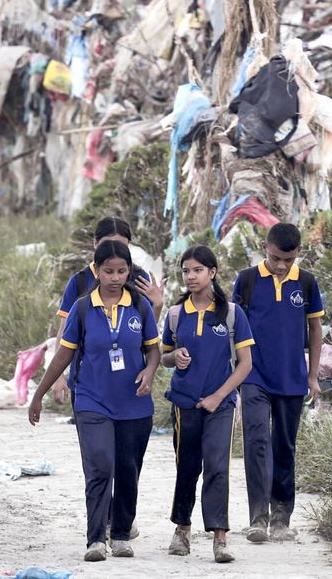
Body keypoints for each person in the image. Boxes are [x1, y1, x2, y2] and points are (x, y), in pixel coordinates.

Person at [29, 240, 161, 562]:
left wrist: (150, 371)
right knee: (101, 464)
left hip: (134, 402)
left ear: (128, 271)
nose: (115, 277)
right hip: (92, 399)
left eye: (122, 271)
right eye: (108, 271)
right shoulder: (83, 308)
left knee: (128, 470)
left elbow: (153, 348)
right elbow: (64, 354)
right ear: (97, 270)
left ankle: (120, 534)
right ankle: (95, 539)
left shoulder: (140, 307)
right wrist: (39, 393)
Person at [161, 246, 254, 564]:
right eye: (186, 270)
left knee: (217, 467)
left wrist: (219, 396)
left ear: (212, 272)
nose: (190, 276)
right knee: (187, 467)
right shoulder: (176, 314)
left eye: (197, 270)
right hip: (184, 403)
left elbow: (245, 364)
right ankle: (182, 531)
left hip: (221, 404)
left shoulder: (231, 314)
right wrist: (176, 358)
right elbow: (163, 357)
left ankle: (220, 538)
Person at [233, 222, 323, 543]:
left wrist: (312, 375)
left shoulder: (308, 283)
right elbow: (235, 327)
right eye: (275, 259)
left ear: (298, 252)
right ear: (264, 248)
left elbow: (314, 331)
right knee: (257, 442)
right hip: (254, 375)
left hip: (292, 376)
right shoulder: (246, 280)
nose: (282, 266)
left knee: (284, 445)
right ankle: (257, 517)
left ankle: (282, 517)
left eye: (288, 259)